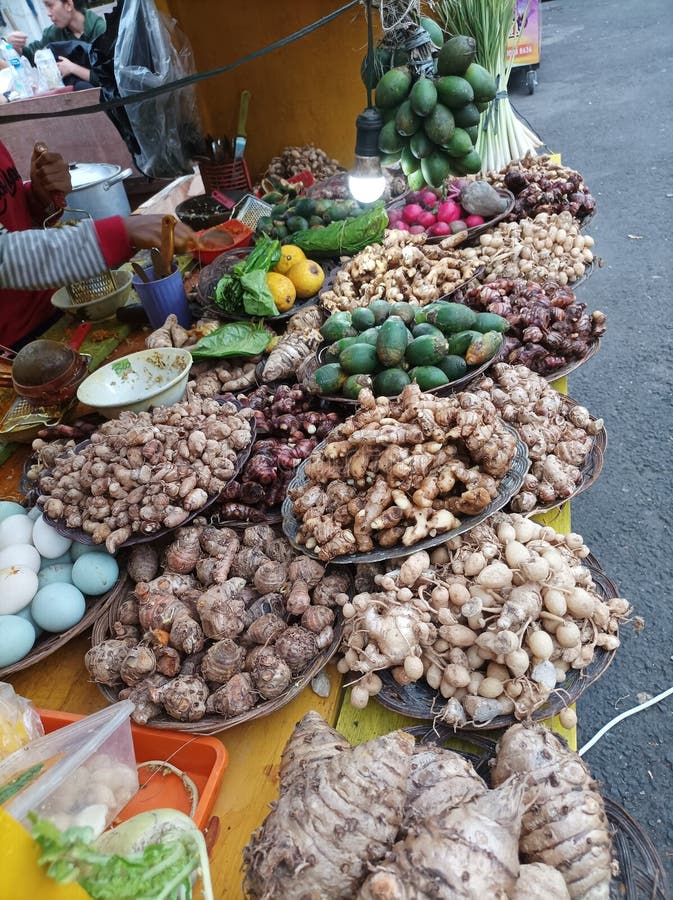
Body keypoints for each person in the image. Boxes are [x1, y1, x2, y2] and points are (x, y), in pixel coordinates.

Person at [0, 141, 196, 347]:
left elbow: (13, 221)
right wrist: (119, 233)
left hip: (57, 311)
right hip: (13, 347)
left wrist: (38, 199)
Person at [7, 0, 105, 88]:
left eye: (50, 5)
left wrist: (73, 68)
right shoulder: (53, 34)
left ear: (68, 5)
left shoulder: (101, 31)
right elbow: (32, 55)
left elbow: (111, 77)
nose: (48, 13)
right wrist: (15, 46)